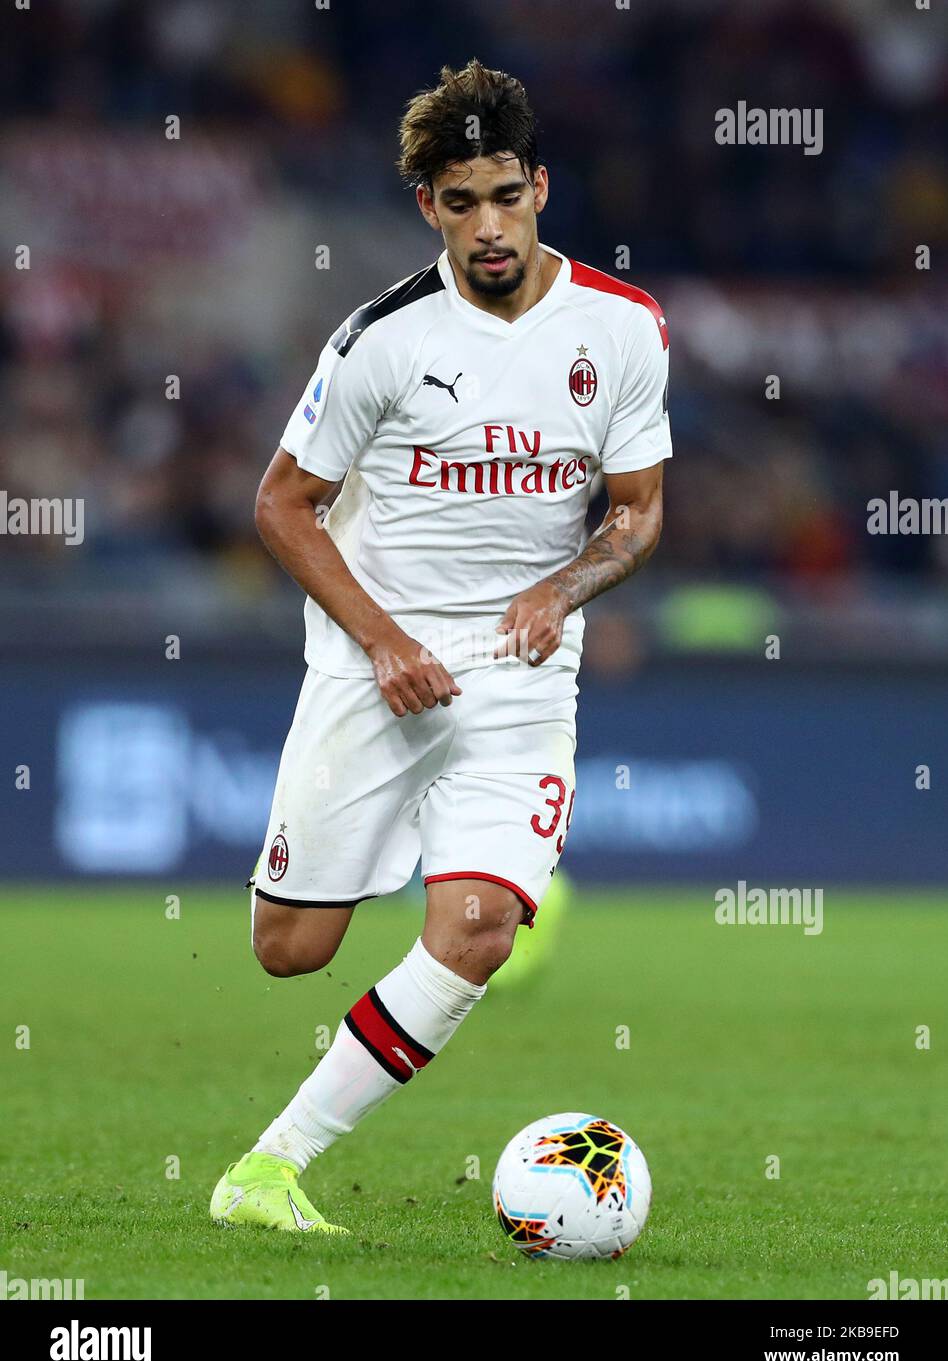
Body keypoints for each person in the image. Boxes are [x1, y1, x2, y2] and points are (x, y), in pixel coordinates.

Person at [210, 59, 670, 1233]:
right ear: (429, 208)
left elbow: (636, 512)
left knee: (477, 932)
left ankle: (267, 1169)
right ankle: (405, 825)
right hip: (376, 662)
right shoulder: (379, 340)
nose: (489, 226)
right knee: (288, 948)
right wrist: (382, 642)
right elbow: (281, 504)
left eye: (506, 196)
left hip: (522, 669)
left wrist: (563, 587)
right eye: (462, 203)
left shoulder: (621, 329)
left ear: (540, 188)